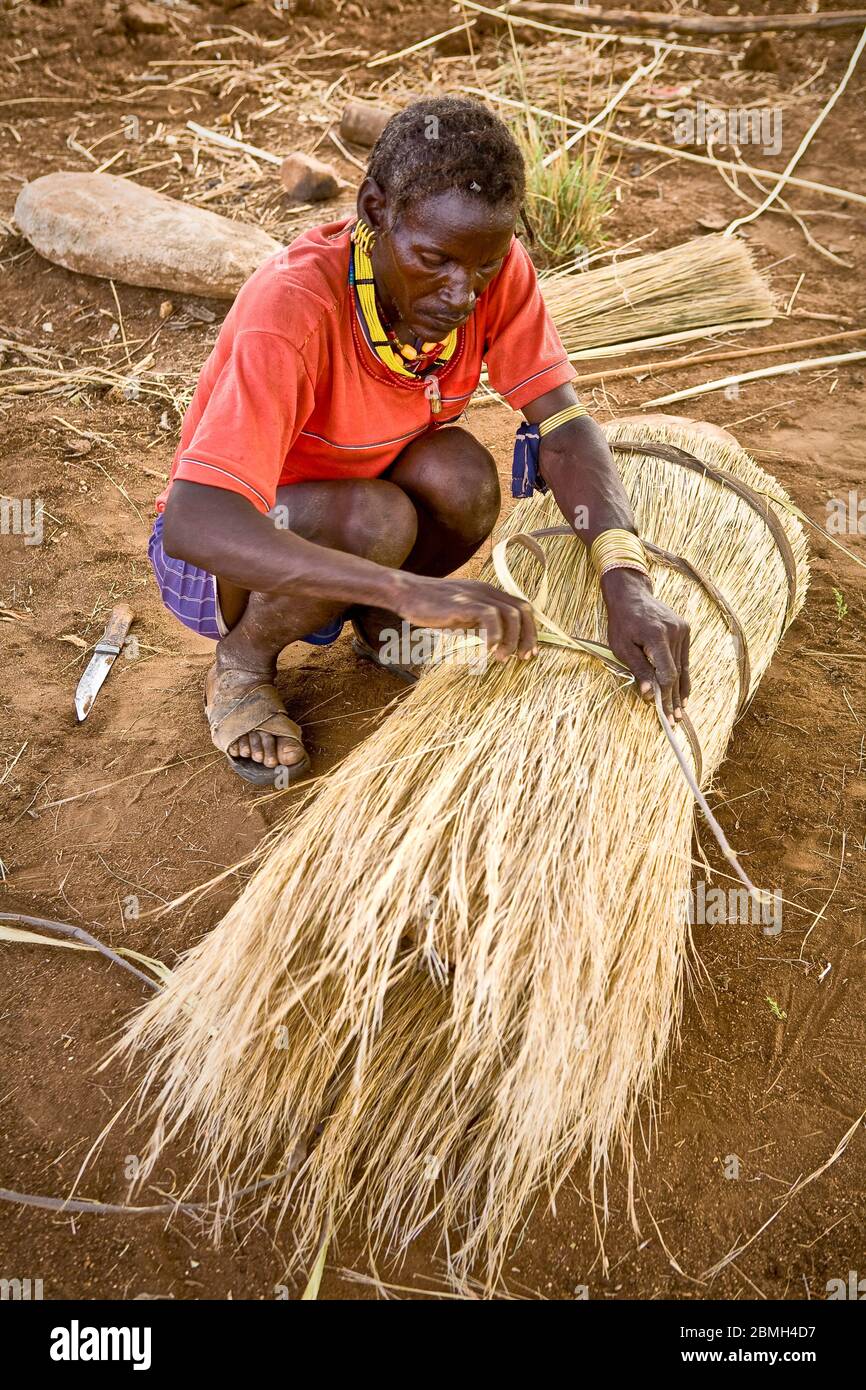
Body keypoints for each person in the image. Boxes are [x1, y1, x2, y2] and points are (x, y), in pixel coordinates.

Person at [149, 96, 690, 784]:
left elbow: (561, 425)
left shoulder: (485, 263)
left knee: (463, 473)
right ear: (375, 211)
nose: (463, 294)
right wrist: (408, 590)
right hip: (235, 552)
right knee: (375, 517)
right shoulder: (294, 308)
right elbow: (197, 522)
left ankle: (376, 627)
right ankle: (244, 662)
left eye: (485, 268)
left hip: (362, 518)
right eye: (434, 259)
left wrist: (626, 579)